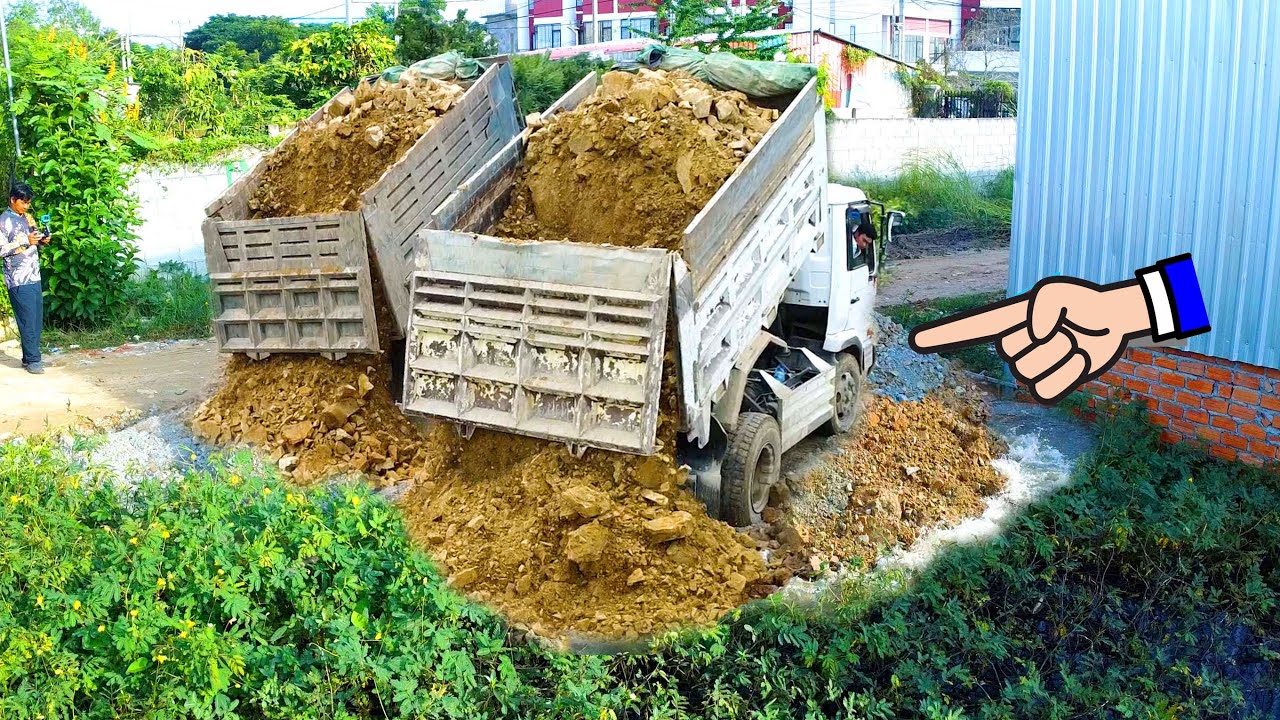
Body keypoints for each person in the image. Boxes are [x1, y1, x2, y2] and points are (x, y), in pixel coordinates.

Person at [1, 183, 49, 374]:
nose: (27, 206)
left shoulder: (27, 218)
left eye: (29, 203)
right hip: (18, 279)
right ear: (13, 199)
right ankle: (33, 361)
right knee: (27, 319)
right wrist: (24, 241)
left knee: (36, 318)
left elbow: (34, 240)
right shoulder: (4, 221)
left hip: (33, 275)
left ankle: (28, 356)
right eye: (23, 202)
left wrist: (42, 239)